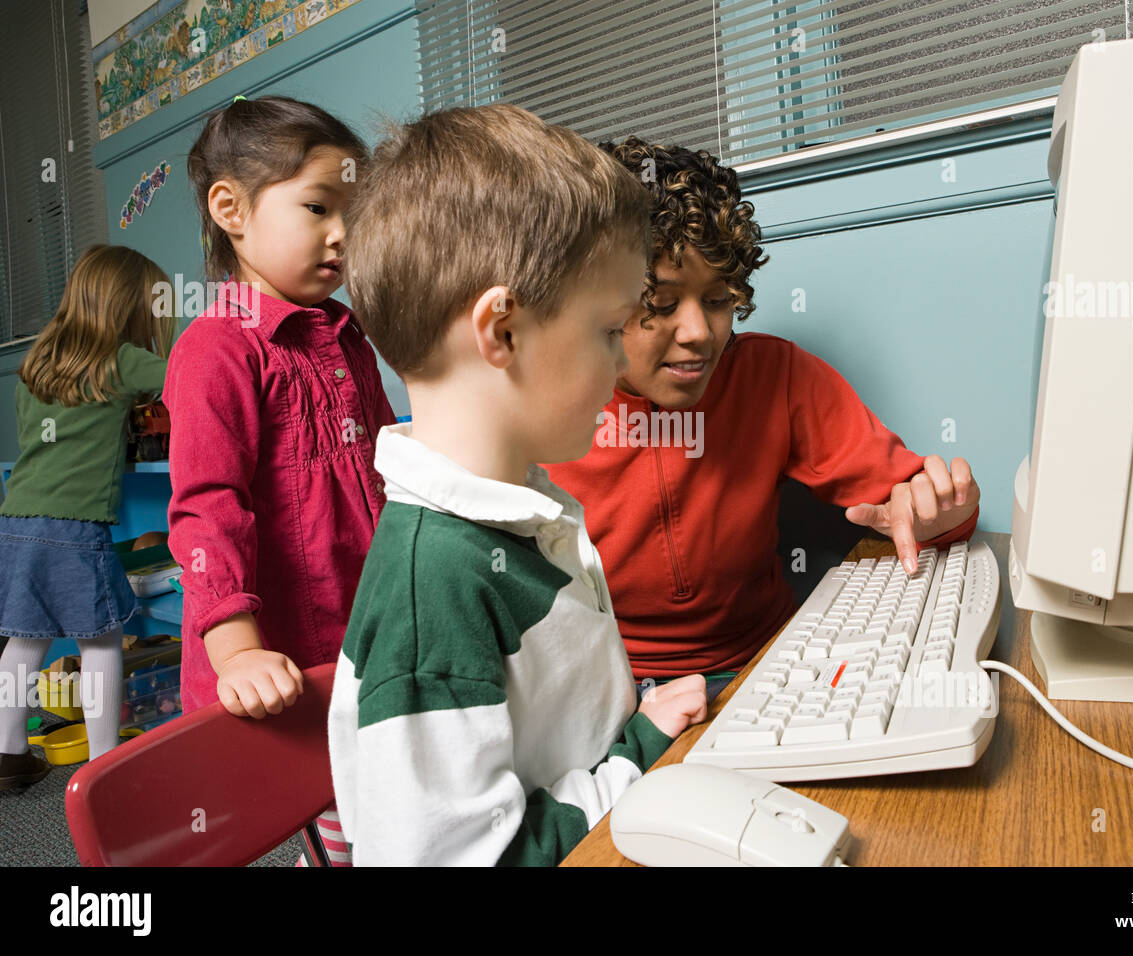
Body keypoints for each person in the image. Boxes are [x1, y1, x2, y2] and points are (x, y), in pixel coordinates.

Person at [328, 104, 708, 866]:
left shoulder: (516, 511)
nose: (623, 364)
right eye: (609, 331)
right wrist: (636, 755)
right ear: (502, 331)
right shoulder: (433, 587)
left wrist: (637, 731)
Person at [546, 139, 982, 700]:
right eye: (661, 302)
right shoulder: (548, 407)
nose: (699, 332)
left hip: (765, 671)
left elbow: (912, 500)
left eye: (718, 299)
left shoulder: (774, 375)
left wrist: (940, 510)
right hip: (609, 693)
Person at [164, 95, 396, 864]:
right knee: (346, 819)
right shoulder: (215, 351)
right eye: (319, 207)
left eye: (351, 216)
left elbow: (386, 463)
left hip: (366, 634)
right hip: (287, 656)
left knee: (383, 800)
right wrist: (236, 652)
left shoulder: (348, 336)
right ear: (230, 209)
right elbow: (206, 512)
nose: (341, 236)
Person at [0, 244, 174, 789]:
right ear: (128, 308)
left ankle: (7, 755)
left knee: (23, 639)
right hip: (74, 527)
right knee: (99, 641)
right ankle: (104, 768)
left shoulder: (35, 366)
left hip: (16, 518)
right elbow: (189, 372)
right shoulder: (120, 362)